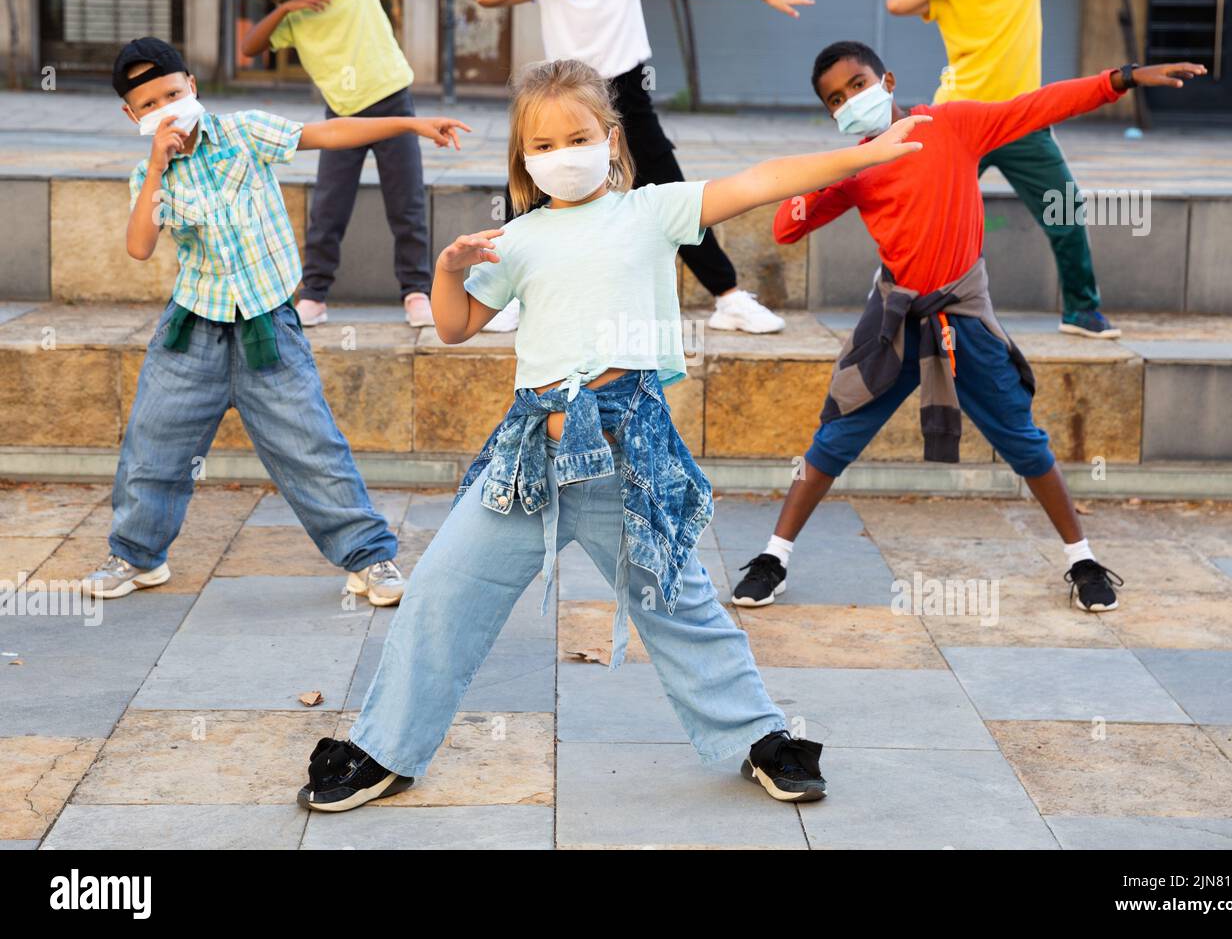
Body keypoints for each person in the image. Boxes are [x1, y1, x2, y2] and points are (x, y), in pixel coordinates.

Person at [295, 57, 928, 812]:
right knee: (440, 591)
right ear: (524, 158)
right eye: (544, 144)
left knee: (681, 601)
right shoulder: (518, 238)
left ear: (611, 137)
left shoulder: (653, 210)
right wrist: (446, 266)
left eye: (578, 135)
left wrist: (865, 153)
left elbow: (763, 179)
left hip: (629, 451)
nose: (563, 153)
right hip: (530, 461)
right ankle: (384, 748)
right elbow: (459, 327)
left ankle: (761, 736)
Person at [728, 39, 1205, 613]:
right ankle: (774, 558)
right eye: (835, 99)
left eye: (857, 85)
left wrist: (1123, 77)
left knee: (1025, 444)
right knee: (835, 438)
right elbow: (786, 226)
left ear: (888, 81)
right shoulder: (857, 166)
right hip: (895, 322)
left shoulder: (952, 125)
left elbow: (1042, 105)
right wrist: (849, 163)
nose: (850, 100)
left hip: (963, 321)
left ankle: (1081, 559)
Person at [82, 37, 469, 607]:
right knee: (153, 446)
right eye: (149, 104)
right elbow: (140, 246)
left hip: (269, 330)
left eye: (171, 92)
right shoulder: (150, 173)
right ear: (132, 115)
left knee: (311, 447)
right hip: (192, 332)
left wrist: (408, 127)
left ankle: (369, 558)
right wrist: (158, 168)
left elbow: (326, 135)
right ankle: (137, 557)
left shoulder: (243, 132)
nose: (165, 108)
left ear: (191, 85)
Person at [474, 0, 812, 334]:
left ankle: (728, 297)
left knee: (671, 188)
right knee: (528, 191)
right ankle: (507, 295)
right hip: (565, 93)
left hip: (626, 92)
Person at [885, 0, 1215, 339]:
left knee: (1066, 210)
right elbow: (896, 3)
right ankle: (893, 300)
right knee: (924, 213)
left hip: (1023, 121)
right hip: (960, 122)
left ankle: (1081, 311)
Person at [240, 0, 500, 327]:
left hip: (394, 104)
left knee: (407, 204)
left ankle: (417, 293)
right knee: (328, 207)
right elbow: (250, 47)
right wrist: (287, 8)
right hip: (341, 119)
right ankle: (314, 295)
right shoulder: (295, 12)